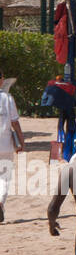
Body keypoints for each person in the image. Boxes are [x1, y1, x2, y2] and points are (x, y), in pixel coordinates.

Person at [0, 76, 25, 223]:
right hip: (5, 144)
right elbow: (15, 123)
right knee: (4, 177)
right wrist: (21, 142)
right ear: (1, 80)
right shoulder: (7, 98)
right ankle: (1, 202)